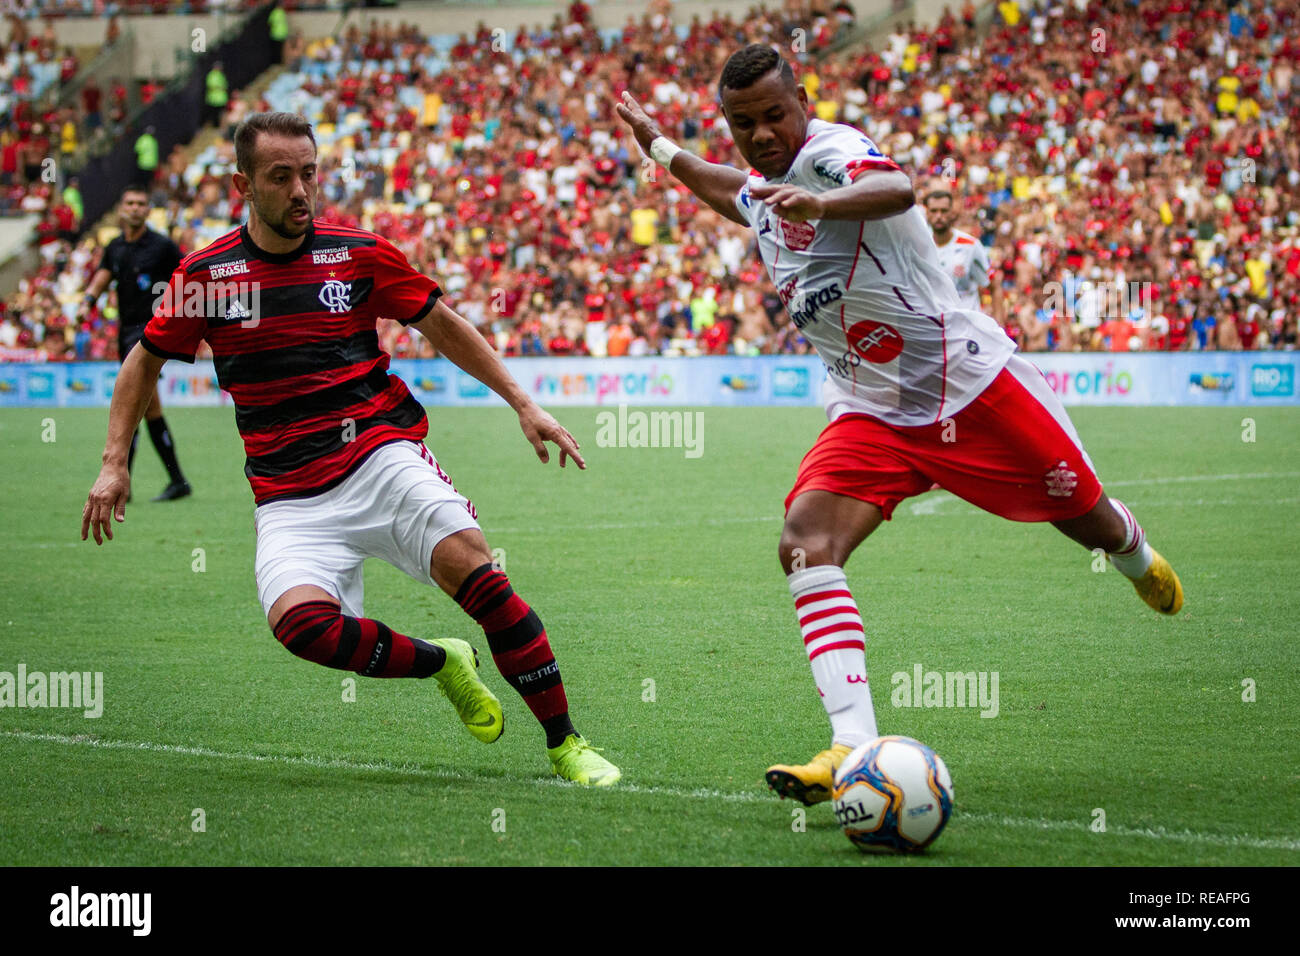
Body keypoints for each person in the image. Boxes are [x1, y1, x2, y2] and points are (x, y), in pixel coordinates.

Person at [615, 45, 1183, 806]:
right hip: (871, 411)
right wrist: (659, 145)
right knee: (804, 544)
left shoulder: (833, 153)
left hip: (970, 387)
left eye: (774, 114)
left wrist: (822, 205)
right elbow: (728, 189)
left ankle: (1134, 552)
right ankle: (851, 748)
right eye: (743, 123)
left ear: (804, 101)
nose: (761, 135)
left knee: (1087, 519)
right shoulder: (764, 188)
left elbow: (896, 187)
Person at [81, 112, 619, 787]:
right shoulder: (207, 276)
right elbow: (142, 361)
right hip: (287, 492)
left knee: (479, 576)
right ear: (243, 184)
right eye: (282, 177)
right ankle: (442, 662)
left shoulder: (357, 252)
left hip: (378, 454)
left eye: (309, 173)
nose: (301, 190)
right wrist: (113, 463)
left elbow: (442, 325)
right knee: (301, 627)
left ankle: (565, 742)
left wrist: (523, 401)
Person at [80, 185, 191, 501]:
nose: (135, 207)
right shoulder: (114, 246)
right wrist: (89, 299)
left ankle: (125, 480)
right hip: (125, 333)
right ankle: (173, 481)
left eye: (141, 203)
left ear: (147, 210)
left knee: (137, 402)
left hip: (151, 334)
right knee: (144, 407)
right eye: (130, 202)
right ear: (120, 209)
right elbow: (104, 273)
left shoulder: (162, 246)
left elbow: (188, 275)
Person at [924, 185, 1003, 325]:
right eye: (934, 211)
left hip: (967, 329)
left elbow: (994, 286)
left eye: (944, 211)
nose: (939, 216)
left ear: (952, 213)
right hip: (935, 329)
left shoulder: (969, 245)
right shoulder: (921, 247)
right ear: (927, 214)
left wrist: (999, 328)